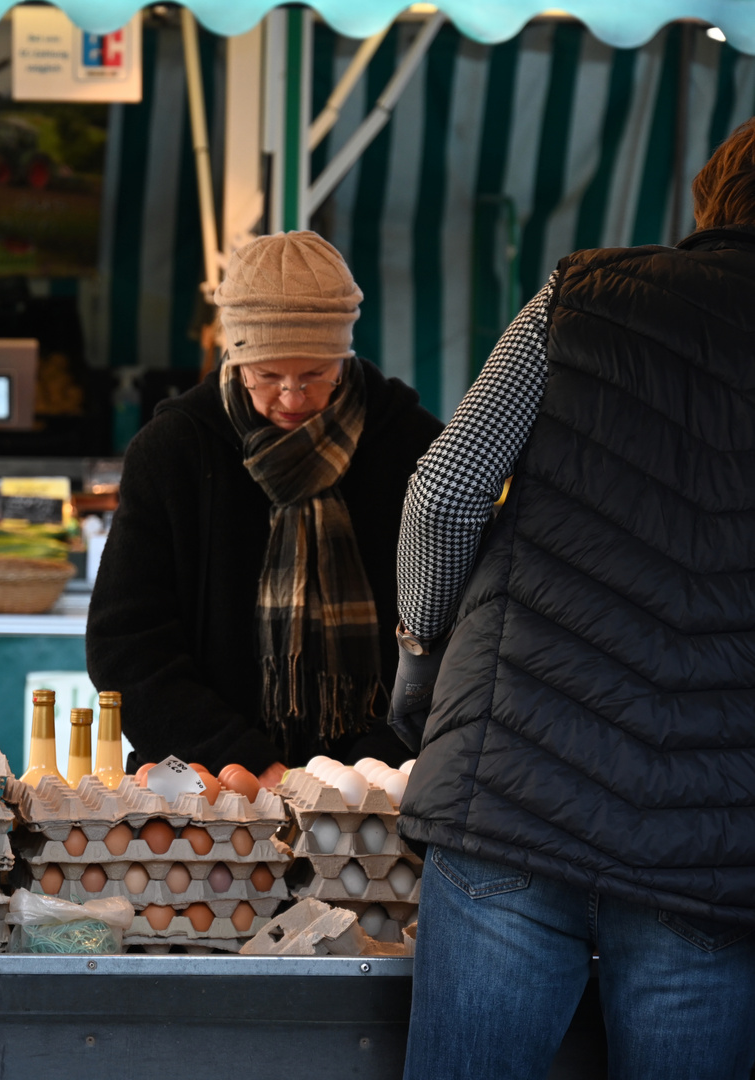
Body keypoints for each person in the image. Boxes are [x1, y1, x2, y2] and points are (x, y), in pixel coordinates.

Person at [390, 120, 755, 1078]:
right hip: (713, 835)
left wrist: (419, 646)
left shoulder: (585, 293)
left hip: (514, 783)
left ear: (710, 194)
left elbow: (446, 489)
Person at [87, 231, 442, 785]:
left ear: (344, 355)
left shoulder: (411, 448)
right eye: (269, 376)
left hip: (380, 786)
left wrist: (367, 769)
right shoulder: (175, 452)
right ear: (236, 357)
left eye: (316, 375)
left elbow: (451, 631)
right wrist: (245, 761)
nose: (293, 398)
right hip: (214, 779)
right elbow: (128, 643)